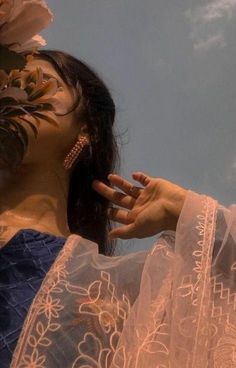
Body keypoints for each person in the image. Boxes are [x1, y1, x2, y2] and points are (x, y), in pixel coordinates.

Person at [1, 50, 235, 367]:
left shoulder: (106, 296)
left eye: (38, 81)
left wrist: (187, 211)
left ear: (88, 129)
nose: (13, 92)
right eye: (4, 83)